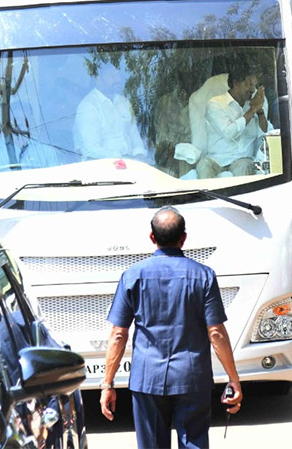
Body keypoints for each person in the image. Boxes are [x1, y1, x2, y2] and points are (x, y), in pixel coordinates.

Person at [100, 207, 242, 449]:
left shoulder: (132, 276)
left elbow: (118, 335)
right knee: (194, 442)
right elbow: (216, 332)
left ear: (152, 238)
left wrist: (108, 384)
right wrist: (233, 379)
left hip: (147, 379)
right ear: (183, 238)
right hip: (192, 377)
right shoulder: (204, 276)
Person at [199, 70, 268, 178]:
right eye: (249, 84)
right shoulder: (215, 104)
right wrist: (252, 110)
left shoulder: (257, 102)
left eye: (254, 85)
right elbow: (229, 133)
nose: (252, 89)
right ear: (235, 84)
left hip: (243, 159)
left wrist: (259, 111)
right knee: (203, 166)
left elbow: (264, 134)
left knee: (244, 168)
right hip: (216, 159)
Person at [73, 60, 147, 161]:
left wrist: (139, 154)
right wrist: (123, 158)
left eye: (118, 75)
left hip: (130, 164)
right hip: (101, 168)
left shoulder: (124, 102)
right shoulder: (88, 106)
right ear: (98, 78)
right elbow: (90, 150)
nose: (118, 79)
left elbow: (134, 135)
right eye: (112, 76)